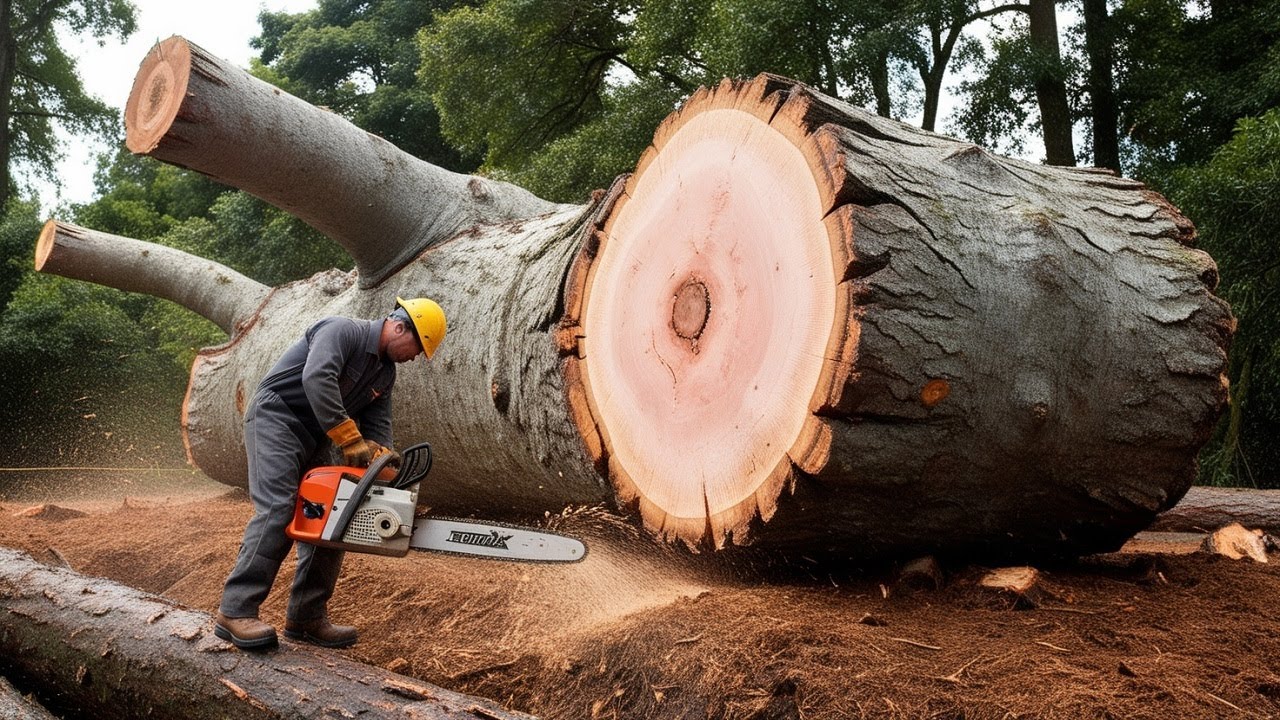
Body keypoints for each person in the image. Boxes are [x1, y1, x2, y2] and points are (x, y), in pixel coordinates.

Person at [213, 297, 446, 651]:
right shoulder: (341, 330)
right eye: (418, 349)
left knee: (338, 511)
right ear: (400, 327)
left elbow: (378, 427)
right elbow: (317, 377)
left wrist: (383, 463)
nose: (415, 358)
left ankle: (306, 616)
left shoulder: (385, 374)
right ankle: (235, 610)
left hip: (318, 436)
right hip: (277, 417)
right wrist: (349, 438)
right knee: (278, 508)